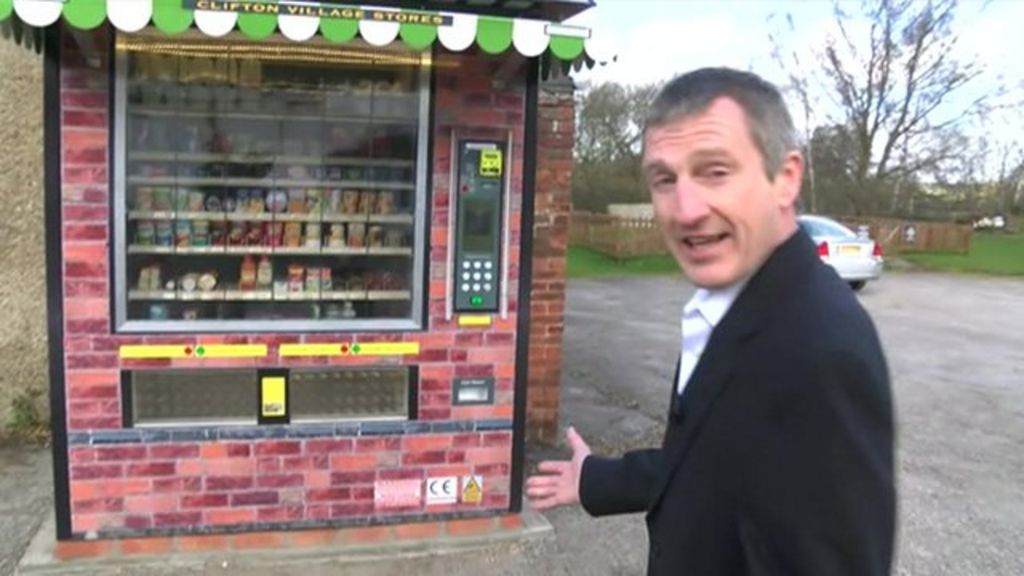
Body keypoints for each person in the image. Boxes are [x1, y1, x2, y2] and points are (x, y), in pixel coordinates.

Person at [525, 67, 896, 576]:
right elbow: (716, 460)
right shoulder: (737, 300)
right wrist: (596, 478)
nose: (686, 209)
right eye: (664, 179)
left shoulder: (820, 348)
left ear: (786, 177)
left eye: (715, 172)